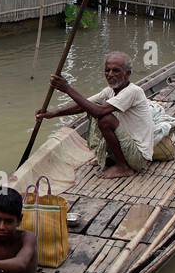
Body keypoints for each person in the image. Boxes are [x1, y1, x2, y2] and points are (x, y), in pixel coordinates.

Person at [37, 51, 153, 179]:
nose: (110, 74)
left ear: (127, 74)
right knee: (91, 109)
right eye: (107, 70)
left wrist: (67, 89)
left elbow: (99, 112)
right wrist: (53, 113)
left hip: (139, 157)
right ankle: (111, 157)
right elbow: (82, 105)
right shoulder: (110, 91)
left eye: (116, 71)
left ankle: (123, 167)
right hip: (127, 148)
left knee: (105, 119)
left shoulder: (133, 91)